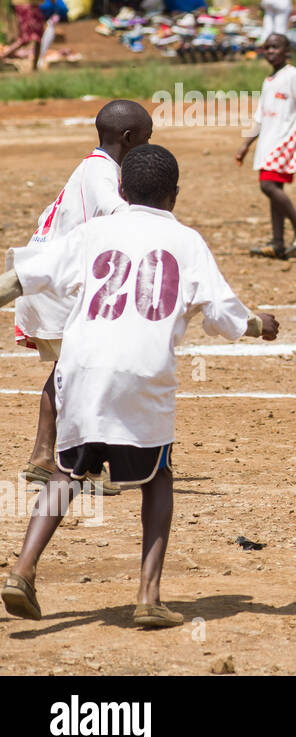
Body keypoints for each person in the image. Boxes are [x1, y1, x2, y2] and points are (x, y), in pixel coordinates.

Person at [0, 144, 280, 626]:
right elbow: (223, 314)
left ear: (122, 190)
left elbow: (23, 279)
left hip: (82, 367)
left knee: (67, 474)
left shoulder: (94, 232)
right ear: (175, 194)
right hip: (144, 373)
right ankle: (148, 596)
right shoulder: (188, 241)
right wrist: (260, 325)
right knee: (158, 478)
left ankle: (22, 571)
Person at [11, 100, 154, 488]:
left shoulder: (95, 168)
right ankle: (84, 464)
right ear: (129, 139)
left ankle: (45, 456)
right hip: (56, 284)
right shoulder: (100, 172)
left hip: (47, 279)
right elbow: (116, 213)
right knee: (93, 370)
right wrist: (158, 226)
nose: (147, 147)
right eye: (146, 139)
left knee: (70, 369)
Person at [234, 34, 296, 258]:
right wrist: (245, 144)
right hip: (268, 142)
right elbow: (260, 118)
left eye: (276, 47)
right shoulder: (269, 82)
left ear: (287, 51)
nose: (270, 51)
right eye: (267, 48)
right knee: (274, 189)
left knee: (267, 186)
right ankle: (277, 242)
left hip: (285, 140)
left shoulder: (294, 76)